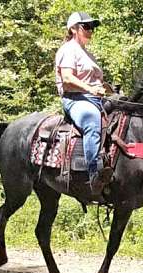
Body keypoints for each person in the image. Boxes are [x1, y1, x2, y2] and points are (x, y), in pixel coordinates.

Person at [54, 11, 113, 194]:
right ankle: (93, 174)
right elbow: (67, 78)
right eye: (86, 26)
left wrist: (108, 89)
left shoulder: (87, 53)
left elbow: (93, 80)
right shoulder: (68, 50)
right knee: (92, 121)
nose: (90, 30)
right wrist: (90, 89)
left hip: (94, 97)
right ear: (73, 29)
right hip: (75, 98)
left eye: (92, 27)